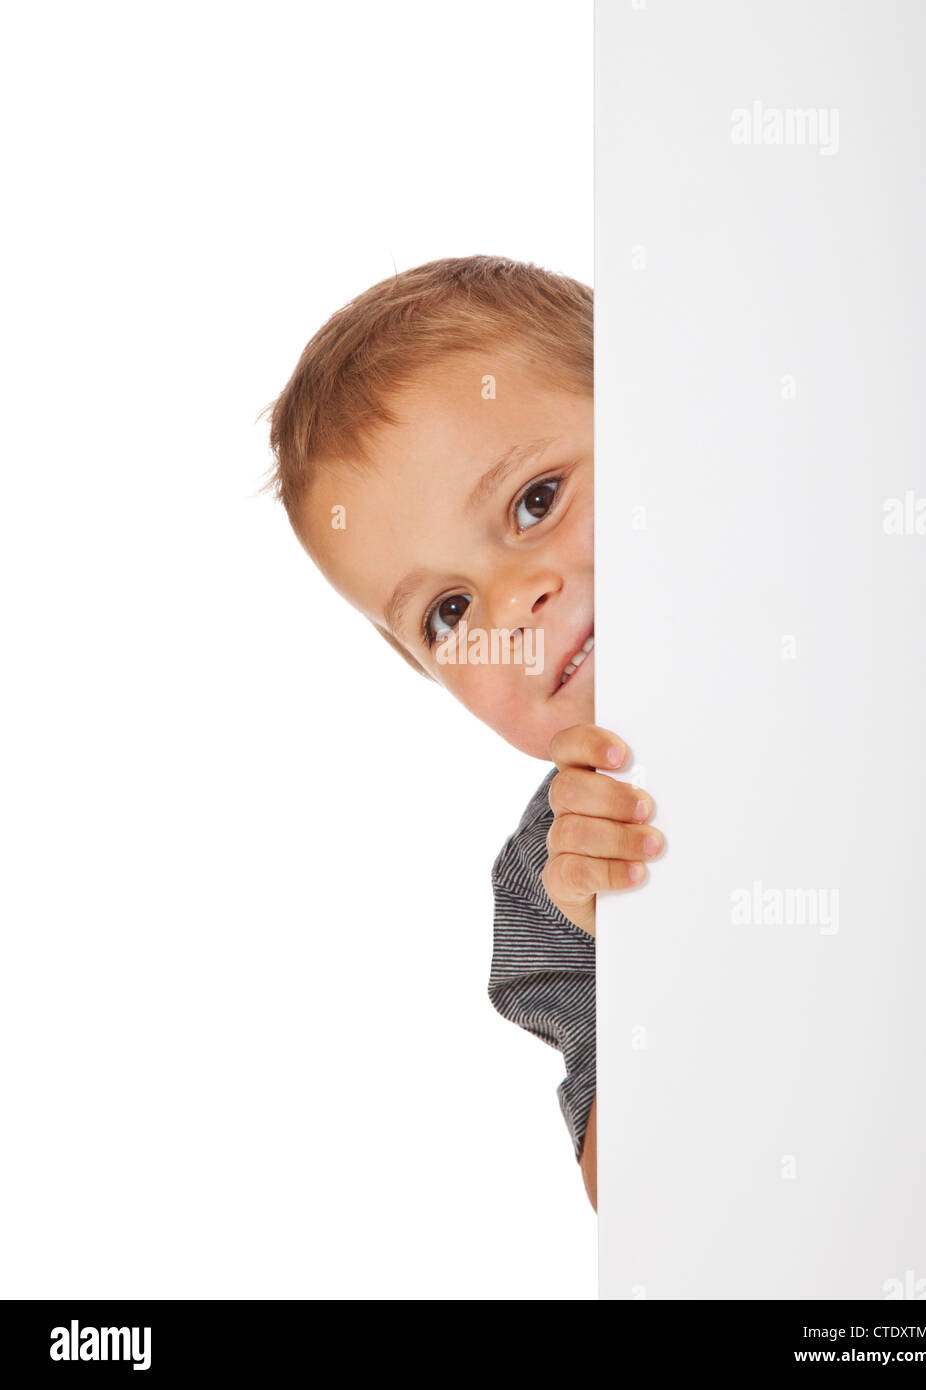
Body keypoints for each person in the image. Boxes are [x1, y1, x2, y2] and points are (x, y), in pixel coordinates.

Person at [257, 255, 665, 1211]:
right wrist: (641, 951)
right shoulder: (548, 881)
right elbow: (642, 1214)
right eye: (447, 612)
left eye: (536, 500)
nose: (510, 609)